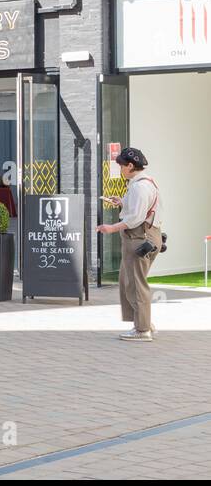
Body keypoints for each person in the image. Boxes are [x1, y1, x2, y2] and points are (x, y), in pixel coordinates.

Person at [96, 147, 163, 342]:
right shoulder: (146, 183)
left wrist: (112, 228)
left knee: (135, 284)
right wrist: (122, 202)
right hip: (146, 235)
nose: (121, 170)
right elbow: (140, 208)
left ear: (131, 166)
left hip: (138, 238)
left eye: (122, 166)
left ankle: (142, 330)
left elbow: (135, 218)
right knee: (129, 281)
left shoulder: (139, 187)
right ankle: (144, 323)